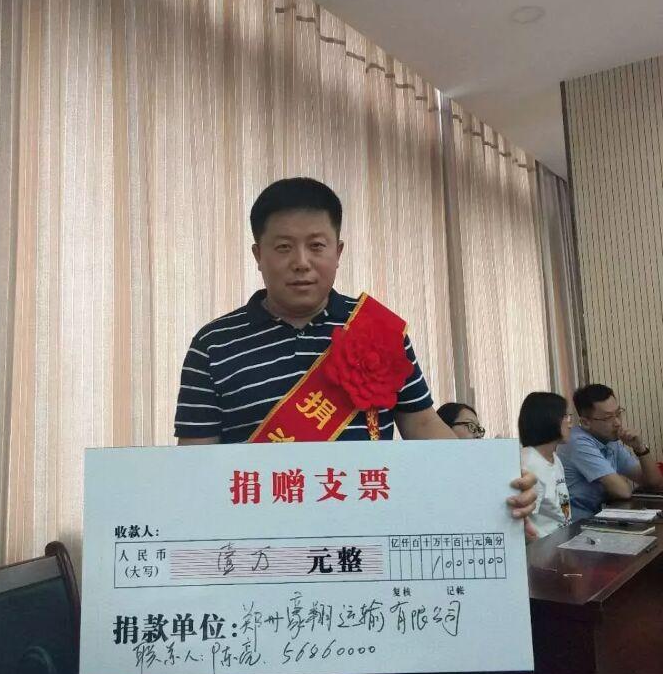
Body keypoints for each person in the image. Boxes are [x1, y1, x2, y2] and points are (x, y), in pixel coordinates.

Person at [174, 177, 537, 530]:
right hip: (260, 541)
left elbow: (423, 425)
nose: (301, 262)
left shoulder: (378, 330)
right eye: (283, 247)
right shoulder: (212, 344)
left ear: (338, 252)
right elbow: (194, 462)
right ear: (258, 255)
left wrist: (494, 484)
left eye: (317, 246)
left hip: (366, 536)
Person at [557, 383, 663, 520]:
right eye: (608, 418)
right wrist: (618, 484)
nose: (617, 422)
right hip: (576, 524)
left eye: (618, 413)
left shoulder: (609, 440)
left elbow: (655, 482)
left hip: (598, 518)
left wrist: (640, 448)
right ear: (586, 422)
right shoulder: (577, 442)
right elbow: (623, 491)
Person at [518, 392, 572, 537]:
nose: (570, 424)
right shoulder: (529, 463)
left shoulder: (554, 457)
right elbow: (526, 524)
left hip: (563, 537)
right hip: (543, 545)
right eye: (566, 417)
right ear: (549, 419)